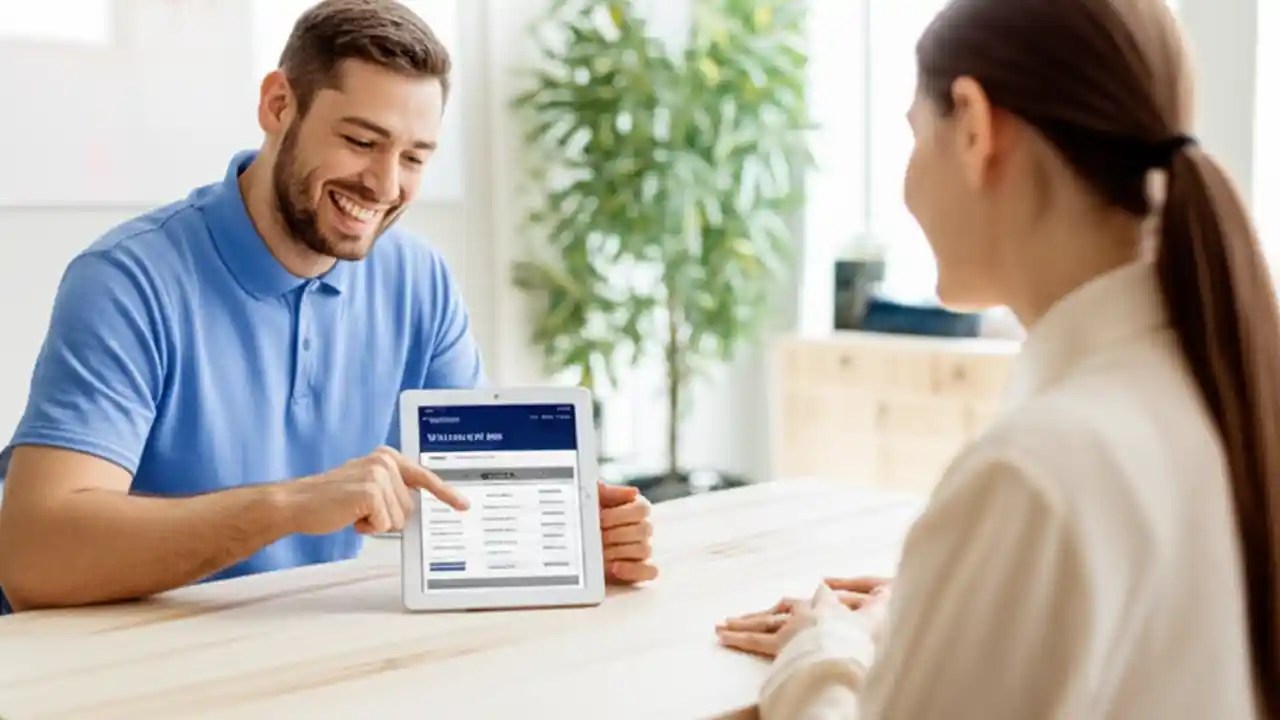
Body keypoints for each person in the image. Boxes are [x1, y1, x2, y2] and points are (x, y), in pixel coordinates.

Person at [0, 0, 656, 614]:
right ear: (277, 103)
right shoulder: (129, 281)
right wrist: (285, 507)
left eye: (414, 157)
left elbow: (458, 505)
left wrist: (565, 535)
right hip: (119, 670)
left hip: (305, 650)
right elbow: (33, 557)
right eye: (362, 142)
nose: (385, 184)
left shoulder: (418, 279)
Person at [716, 0, 1277, 717]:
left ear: (976, 126)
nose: (907, 184)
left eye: (915, 137)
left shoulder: (1035, 472)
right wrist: (947, 613)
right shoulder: (1222, 396)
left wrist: (823, 648)